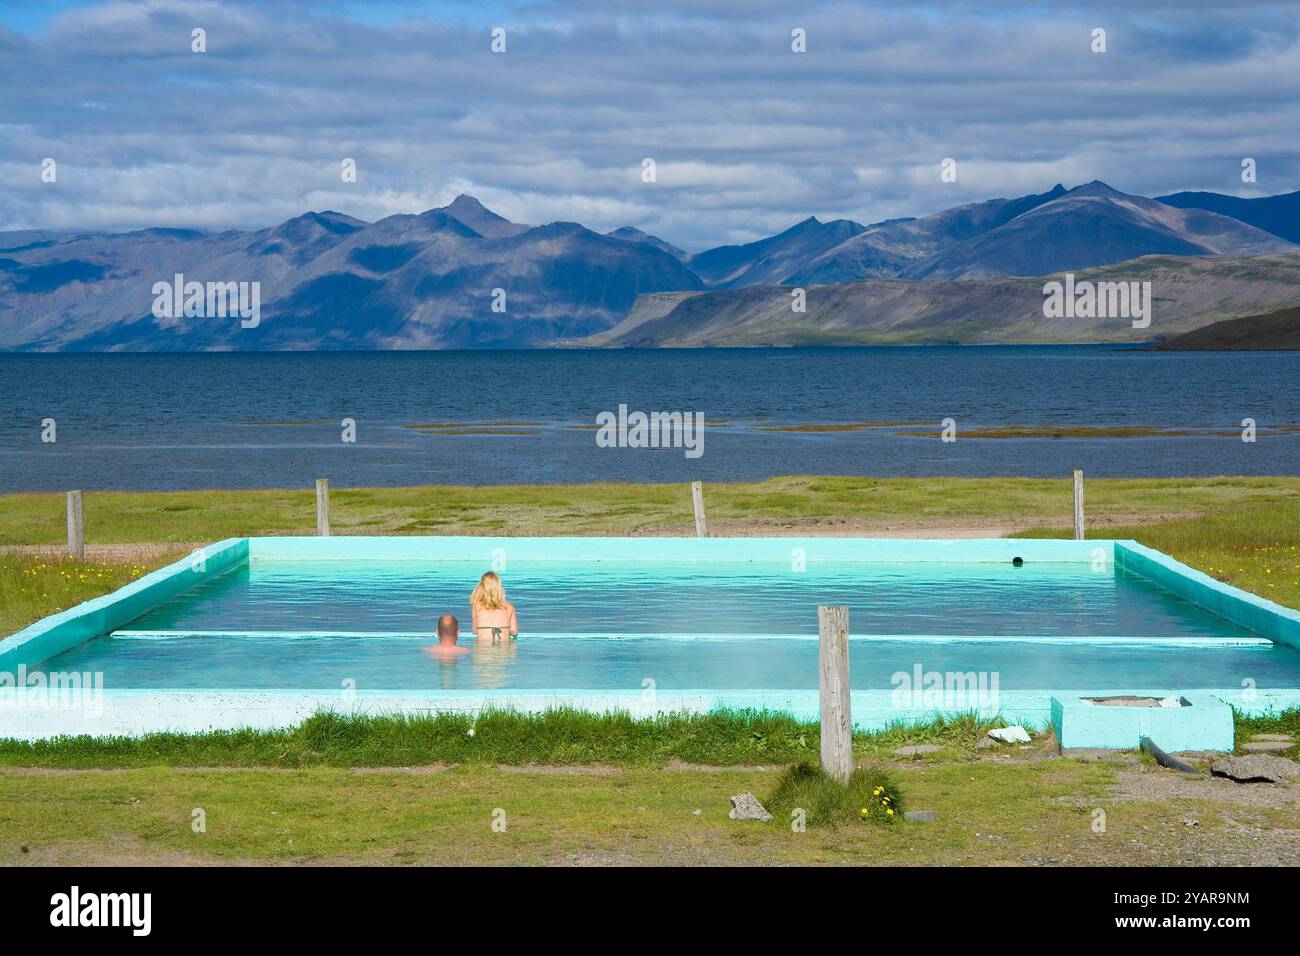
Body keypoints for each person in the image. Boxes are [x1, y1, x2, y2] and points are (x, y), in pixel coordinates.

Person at [470, 571, 519, 642]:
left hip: (483, 648)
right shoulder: (509, 607)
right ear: (499, 587)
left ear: (482, 586)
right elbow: (514, 631)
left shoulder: (477, 606)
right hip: (503, 648)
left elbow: (475, 631)